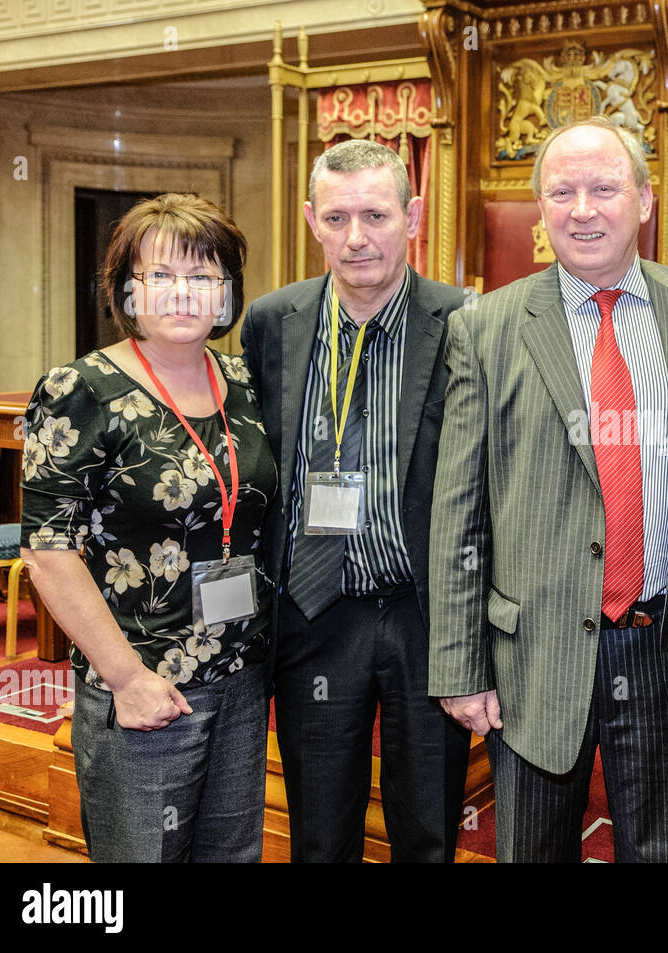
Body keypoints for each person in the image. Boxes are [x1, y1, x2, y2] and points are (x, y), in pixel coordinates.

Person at [429, 117, 668, 863]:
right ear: (541, 211)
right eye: (561, 192)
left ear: (646, 200)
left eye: (604, 188)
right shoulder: (487, 325)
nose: (583, 208)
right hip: (532, 657)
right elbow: (458, 508)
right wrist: (460, 667)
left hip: (665, 649)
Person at [21, 193, 275, 862]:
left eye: (203, 275)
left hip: (242, 671)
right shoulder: (80, 389)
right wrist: (126, 677)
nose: (183, 293)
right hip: (142, 680)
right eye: (160, 275)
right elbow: (48, 552)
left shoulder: (245, 384)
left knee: (232, 852)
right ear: (128, 292)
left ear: (227, 294)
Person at [240, 139, 469, 862]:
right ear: (311, 220)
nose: (356, 237)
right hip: (315, 610)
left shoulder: (467, 320)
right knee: (319, 831)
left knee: (428, 827)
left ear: (414, 215)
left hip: (424, 611)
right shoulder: (271, 322)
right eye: (336, 217)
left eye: (375, 214)